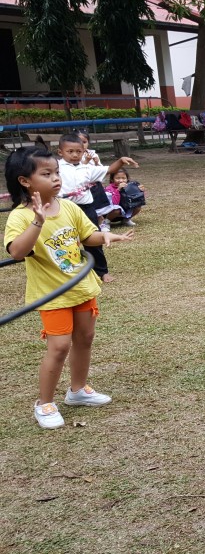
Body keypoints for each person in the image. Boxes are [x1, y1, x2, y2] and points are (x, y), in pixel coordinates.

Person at [4, 146, 134, 429]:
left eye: (57, 172)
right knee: (59, 347)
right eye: (46, 173)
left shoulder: (70, 207)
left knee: (85, 339)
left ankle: (77, 391)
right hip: (52, 295)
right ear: (25, 181)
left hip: (82, 288)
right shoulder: (20, 217)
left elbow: (88, 237)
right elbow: (16, 252)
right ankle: (45, 403)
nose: (56, 178)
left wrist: (111, 237)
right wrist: (38, 221)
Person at [56, 133, 137, 283]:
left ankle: (102, 271)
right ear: (60, 152)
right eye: (70, 151)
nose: (75, 155)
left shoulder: (87, 168)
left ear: (83, 151)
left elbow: (108, 170)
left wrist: (120, 161)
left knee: (94, 240)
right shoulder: (56, 167)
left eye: (78, 152)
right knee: (64, 241)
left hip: (86, 209)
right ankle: (67, 273)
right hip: (64, 208)